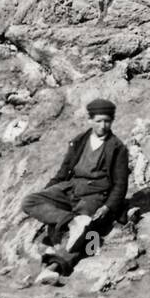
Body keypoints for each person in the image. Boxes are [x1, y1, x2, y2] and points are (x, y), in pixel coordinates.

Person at [21, 98, 130, 284]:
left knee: (87, 233)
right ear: (90, 120)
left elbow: (120, 185)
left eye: (107, 121)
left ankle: (53, 268)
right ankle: (71, 222)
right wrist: (49, 193)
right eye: (98, 121)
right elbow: (63, 171)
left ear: (112, 121)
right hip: (70, 188)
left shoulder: (117, 148)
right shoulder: (78, 141)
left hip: (95, 195)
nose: (103, 125)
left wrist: (108, 207)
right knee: (29, 201)